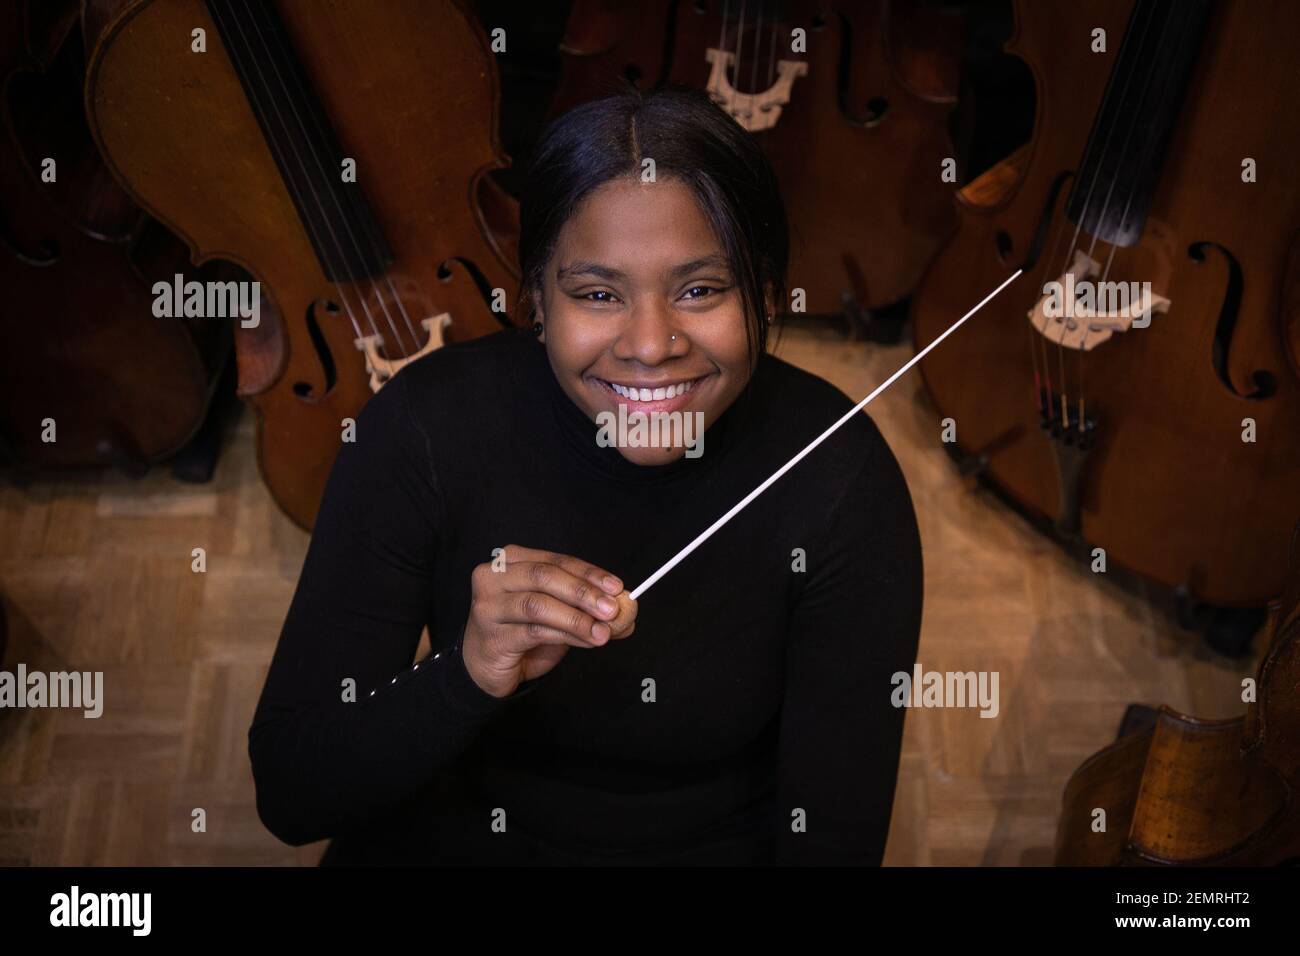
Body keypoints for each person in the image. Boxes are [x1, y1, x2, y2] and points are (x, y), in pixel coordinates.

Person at [248, 85, 923, 866]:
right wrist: (466, 674)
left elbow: (830, 843)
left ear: (767, 292)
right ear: (536, 298)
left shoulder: (841, 479)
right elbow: (291, 794)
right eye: (598, 294)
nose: (648, 344)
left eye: (701, 290)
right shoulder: (424, 429)